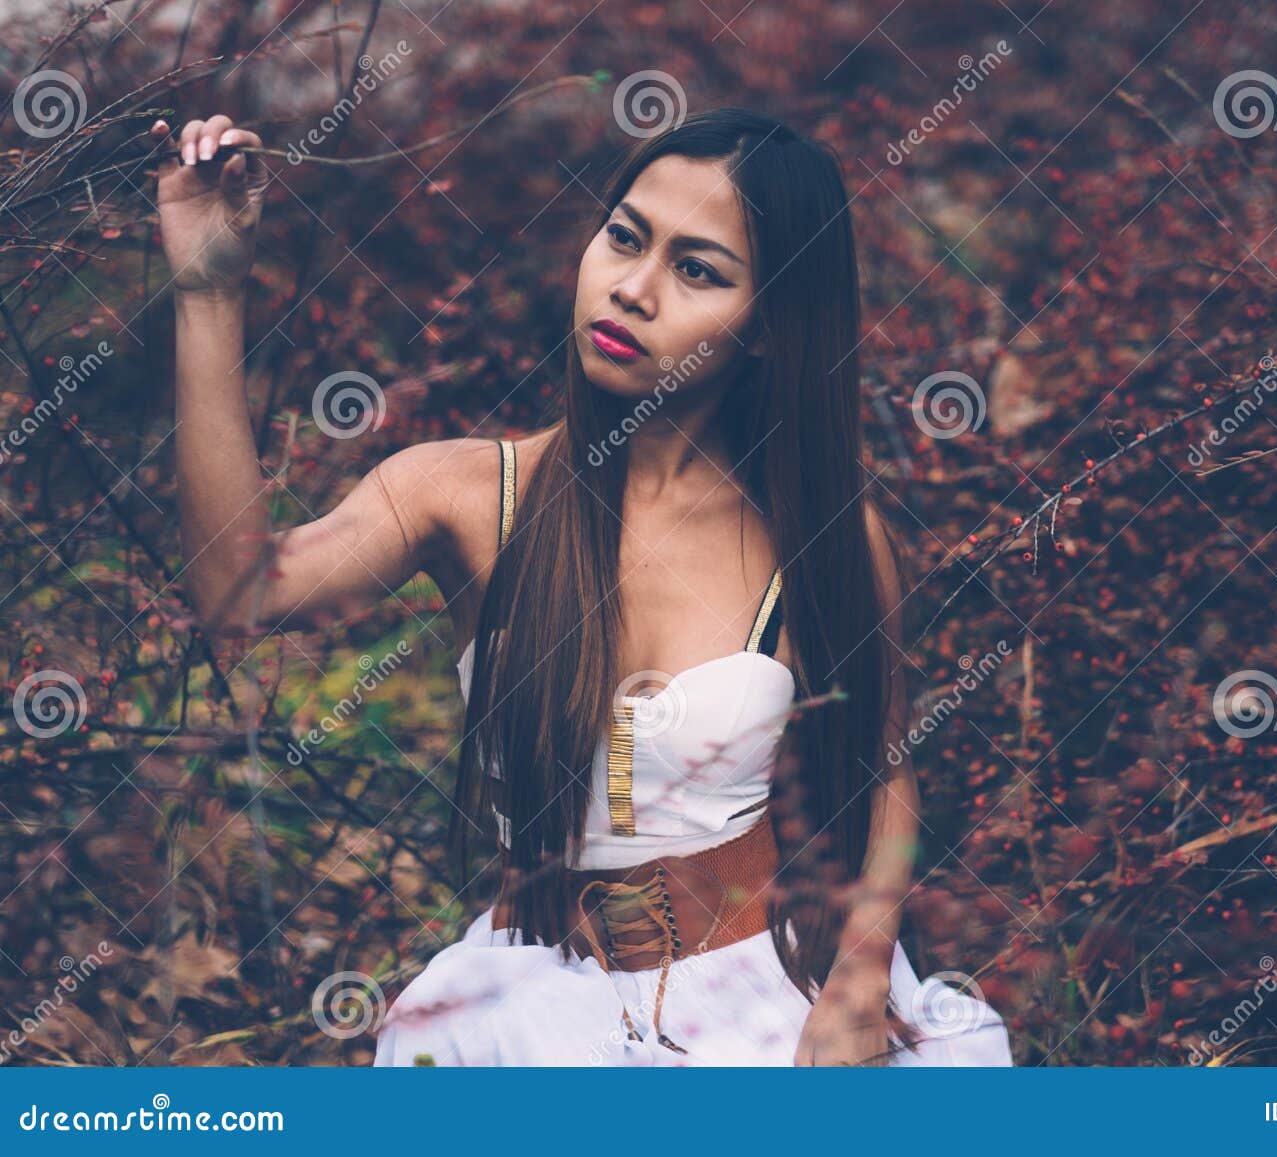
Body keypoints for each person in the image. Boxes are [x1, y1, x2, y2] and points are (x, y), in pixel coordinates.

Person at [153, 104, 1012, 1067]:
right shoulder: (469, 496)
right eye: (624, 238)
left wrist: (857, 981)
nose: (633, 289)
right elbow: (237, 593)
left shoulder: (821, 535)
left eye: (698, 270)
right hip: (534, 1008)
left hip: (764, 992)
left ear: (769, 324)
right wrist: (206, 294)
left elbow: (882, 759)